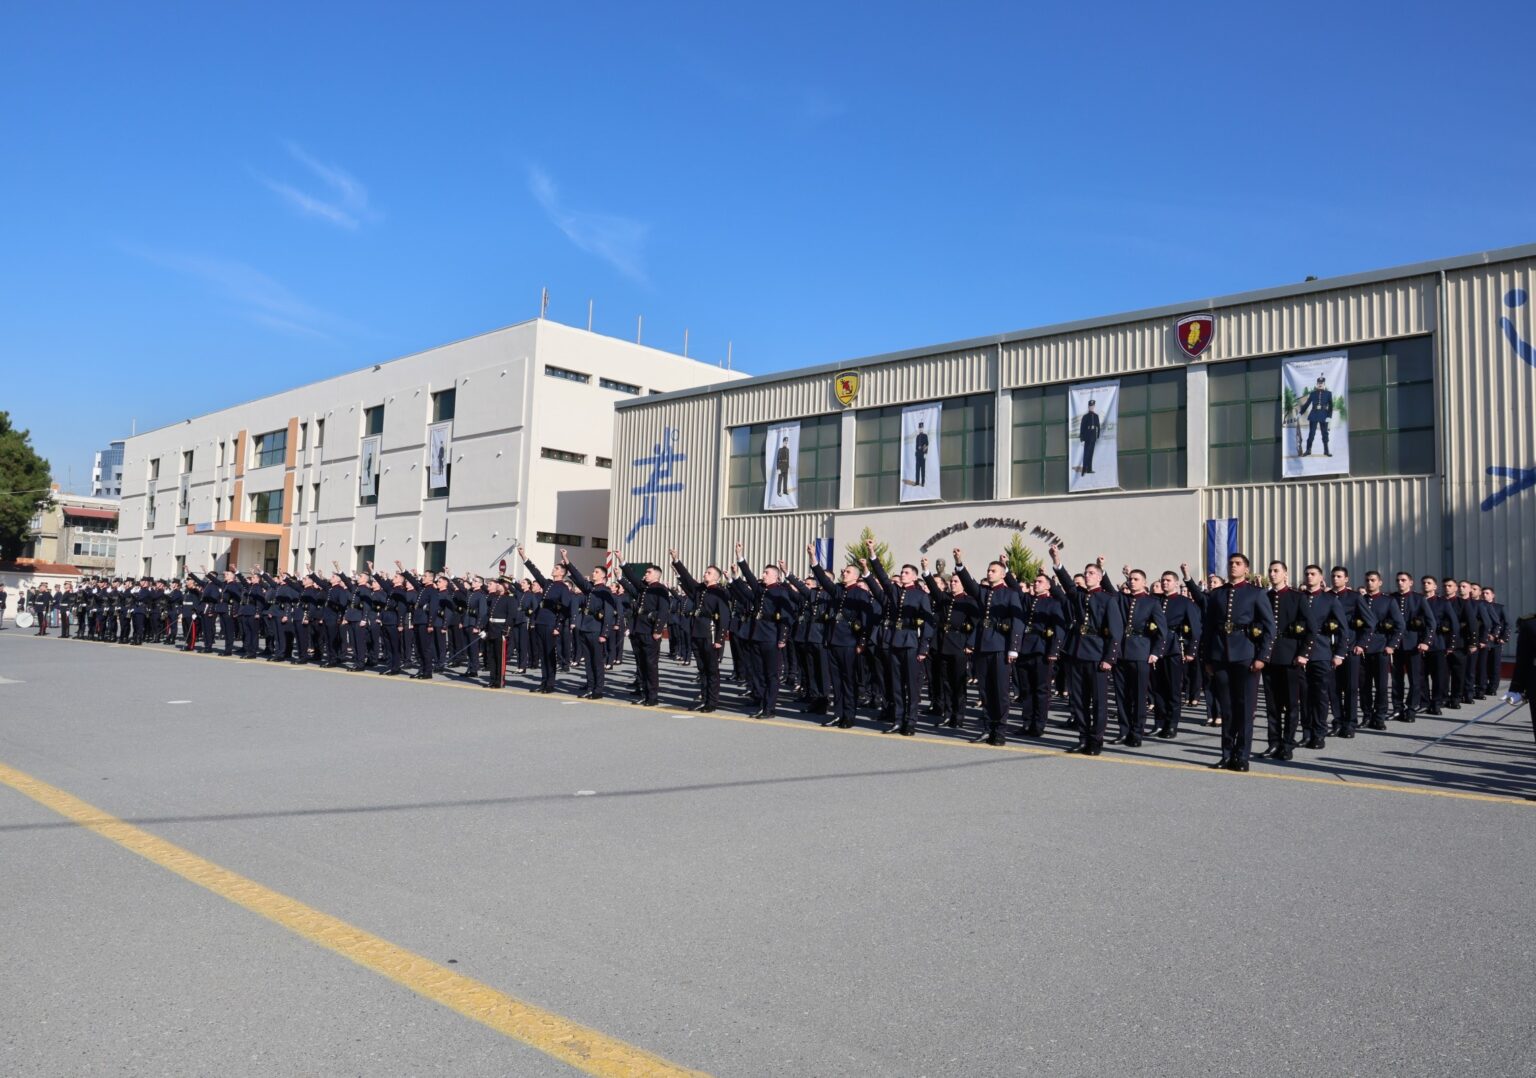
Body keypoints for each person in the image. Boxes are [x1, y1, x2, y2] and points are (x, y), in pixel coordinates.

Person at [1198, 553, 1275, 772]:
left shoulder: (1256, 593)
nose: (1233, 566)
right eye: (1231, 563)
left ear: (1246, 569)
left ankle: (1242, 756)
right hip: (1221, 655)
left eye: (1238, 564)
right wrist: (1207, 658)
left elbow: (1269, 628)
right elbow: (1209, 628)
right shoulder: (1217, 594)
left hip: (1246, 655)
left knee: (1245, 708)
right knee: (1227, 708)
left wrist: (1262, 656)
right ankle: (1226, 754)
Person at [1051, 546, 1123, 755]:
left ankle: (1095, 740)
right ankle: (1083, 738)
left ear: (1099, 577)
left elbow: (1116, 633)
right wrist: (1057, 561)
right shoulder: (1080, 596)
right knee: (1079, 700)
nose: (1087, 576)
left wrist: (1109, 657)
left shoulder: (1108, 599)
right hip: (1077, 653)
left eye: (1091, 573)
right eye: (1085, 573)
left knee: (1099, 702)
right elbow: (1066, 584)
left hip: (1097, 654)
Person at [865, 537, 932, 736]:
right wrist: (872, 553)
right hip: (894, 640)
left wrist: (923, 648)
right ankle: (898, 719)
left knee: (911, 685)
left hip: (911, 642)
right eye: (901, 572)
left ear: (914, 577)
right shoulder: (894, 591)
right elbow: (883, 577)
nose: (902, 575)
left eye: (906, 573)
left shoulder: (920, 595)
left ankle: (911, 721)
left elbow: (928, 623)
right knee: (895, 683)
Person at [955, 549, 1021, 745]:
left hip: (1000, 646)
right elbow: (969, 584)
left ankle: (999, 731)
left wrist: (1013, 648)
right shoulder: (984, 593)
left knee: (1000, 691)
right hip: (983, 645)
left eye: (993, 570)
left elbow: (1017, 622)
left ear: (1002, 574)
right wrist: (959, 562)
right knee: (984, 690)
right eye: (988, 570)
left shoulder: (1010, 594)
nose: (989, 573)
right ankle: (987, 727)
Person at [809, 545, 877, 729]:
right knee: (836, 682)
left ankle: (849, 715)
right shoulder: (839, 591)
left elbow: (866, 620)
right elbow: (823, 580)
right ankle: (838, 714)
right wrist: (813, 558)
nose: (843, 573)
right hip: (833, 641)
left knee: (849, 681)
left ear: (855, 576)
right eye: (843, 571)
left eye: (847, 571)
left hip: (849, 642)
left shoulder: (861, 594)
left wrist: (862, 642)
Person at [673, 551, 733, 713]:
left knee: (711, 670)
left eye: (709, 572)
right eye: (705, 571)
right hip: (697, 633)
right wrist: (677, 561)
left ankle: (712, 702)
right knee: (702, 669)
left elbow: (724, 617)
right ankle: (704, 698)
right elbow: (687, 578)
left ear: (716, 577)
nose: (705, 574)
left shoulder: (719, 592)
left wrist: (720, 639)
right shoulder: (701, 589)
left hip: (710, 634)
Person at [1151, 571, 1201, 738]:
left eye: (1168, 580)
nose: (1165, 583)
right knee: (1158, 688)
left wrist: (1191, 651)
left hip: (1173, 647)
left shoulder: (1185, 602)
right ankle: (1159, 722)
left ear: (1176, 583)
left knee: (1173, 689)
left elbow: (1195, 629)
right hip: (1156, 648)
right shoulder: (1155, 600)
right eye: (1163, 580)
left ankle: (1171, 724)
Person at [1388, 571, 1436, 723]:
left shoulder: (1419, 599)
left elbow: (1431, 622)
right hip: (1395, 645)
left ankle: (1411, 708)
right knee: (1396, 679)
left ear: (1410, 582)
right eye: (1398, 580)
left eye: (1403, 580)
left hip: (1413, 644)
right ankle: (1397, 707)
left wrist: (1426, 641)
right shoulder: (1391, 598)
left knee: (1415, 679)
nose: (1400, 583)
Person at [1299, 374, 1334, 456]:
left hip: (1324, 415)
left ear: (1324, 384)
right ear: (1317, 384)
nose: (1320, 384)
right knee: (1311, 433)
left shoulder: (1328, 394)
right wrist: (1300, 413)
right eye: (1318, 383)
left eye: (1321, 383)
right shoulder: (1313, 394)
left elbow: (1331, 406)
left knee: (1325, 433)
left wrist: (1329, 417)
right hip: (1314, 415)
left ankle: (1326, 450)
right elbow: (1307, 404)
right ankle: (1308, 450)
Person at [1079, 400, 1101, 475]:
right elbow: (1082, 427)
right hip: (1087, 436)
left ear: (1094, 406)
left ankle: (1089, 469)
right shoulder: (1085, 416)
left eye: (1093, 406)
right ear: (1088, 407)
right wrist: (1082, 437)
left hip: (1093, 437)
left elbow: (1098, 426)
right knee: (1086, 453)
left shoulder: (1096, 416)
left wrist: (1098, 435)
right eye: (1090, 406)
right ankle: (1084, 469)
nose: (1091, 407)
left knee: (1091, 453)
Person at [913, 422, 929, 487]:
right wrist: (917, 448)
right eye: (919, 428)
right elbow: (916, 446)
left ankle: (922, 482)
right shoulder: (917, 437)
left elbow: (927, 444)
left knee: (923, 469)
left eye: (921, 428)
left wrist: (923, 450)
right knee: (917, 469)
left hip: (923, 454)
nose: (920, 429)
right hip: (918, 455)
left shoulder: (925, 436)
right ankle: (917, 482)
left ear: (923, 428)